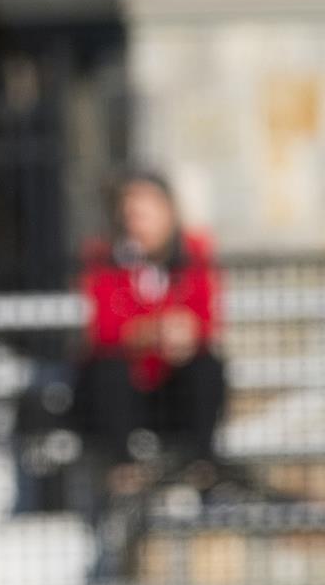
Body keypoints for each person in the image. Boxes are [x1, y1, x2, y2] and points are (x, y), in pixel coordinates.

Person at [77, 169, 227, 497]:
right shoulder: (105, 258)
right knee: (107, 368)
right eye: (130, 213)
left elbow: (204, 320)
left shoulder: (192, 254)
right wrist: (152, 330)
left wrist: (180, 331)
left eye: (144, 213)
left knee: (207, 364)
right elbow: (105, 329)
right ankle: (122, 468)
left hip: (172, 384)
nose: (136, 222)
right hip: (128, 386)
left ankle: (203, 464)